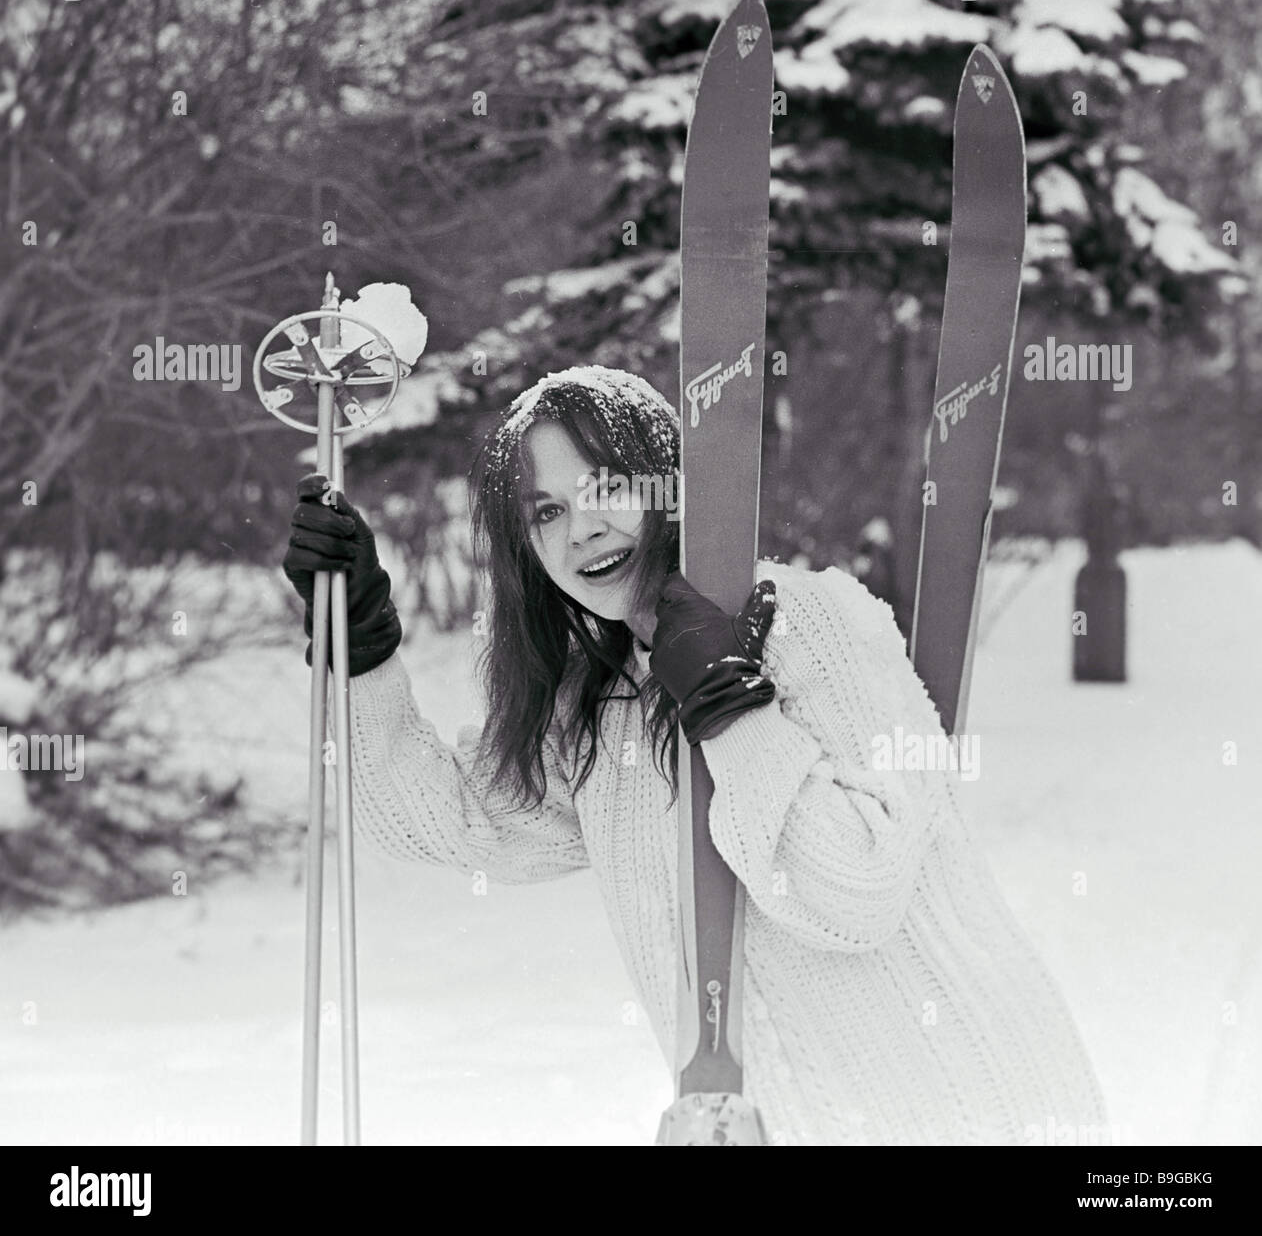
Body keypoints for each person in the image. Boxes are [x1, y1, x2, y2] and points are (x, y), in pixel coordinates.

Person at [282, 364, 1106, 1145]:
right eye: (547, 512)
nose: (585, 529)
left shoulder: (812, 622)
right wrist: (360, 646)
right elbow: (444, 823)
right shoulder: (600, 713)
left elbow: (858, 890)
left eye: (606, 488)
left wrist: (730, 709)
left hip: (980, 1107)